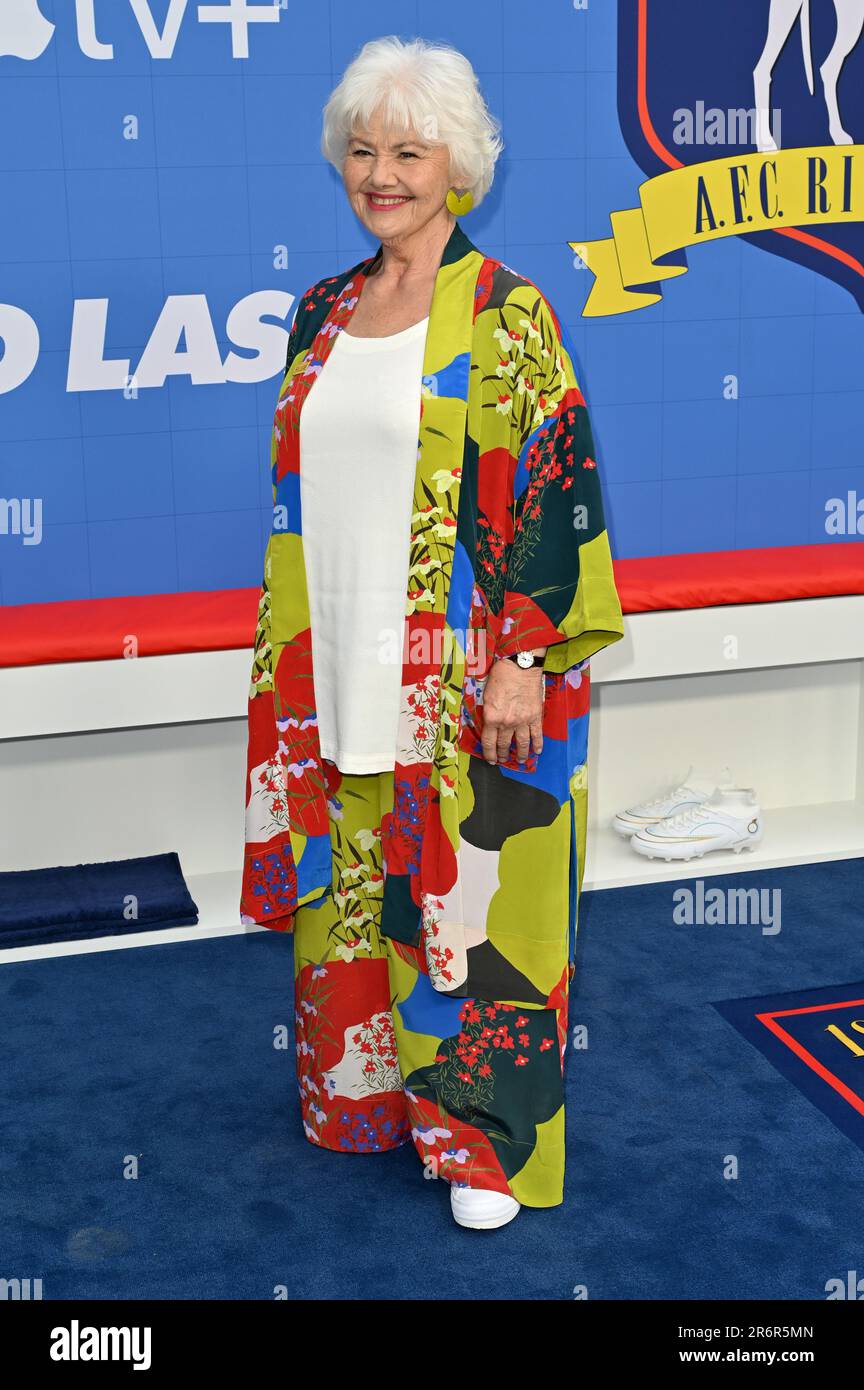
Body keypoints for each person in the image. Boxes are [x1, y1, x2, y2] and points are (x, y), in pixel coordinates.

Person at [240, 34, 625, 1230]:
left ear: (459, 167)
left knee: (473, 911)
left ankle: (482, 1146)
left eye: (408, 151)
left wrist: (522, 657)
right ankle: (365, 1095)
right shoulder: (322, 308)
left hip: (461, 667)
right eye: (363, 150)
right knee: (355, 878)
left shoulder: (507, 314)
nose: (382, 173)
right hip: (337, 664)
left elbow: (557, 492)